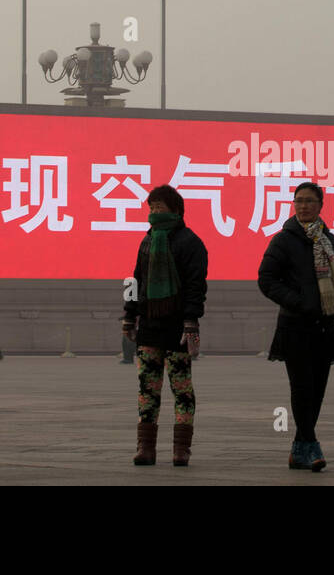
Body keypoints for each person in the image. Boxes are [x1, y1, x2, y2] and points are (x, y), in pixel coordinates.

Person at [259, 182, 334, 473]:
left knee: (318, 390)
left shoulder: (329, 240)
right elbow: (266, 279)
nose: (303, 206)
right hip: (295, 325)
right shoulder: (283, 240)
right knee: (302, 388)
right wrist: (298, 301)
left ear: (320, 205)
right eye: (299, 201)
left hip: (324, 326)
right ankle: (312, 446)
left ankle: (299, 450)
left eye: (309, 201)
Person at [122, 185, 208, 467]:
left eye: (161, 207)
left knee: (182, 388)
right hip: (149, 325)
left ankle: (181, 449)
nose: (155, 212)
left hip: (177, 328)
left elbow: (196, 287)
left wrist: (191, 321)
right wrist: (129, 315)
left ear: (176, 210)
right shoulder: (147, 241)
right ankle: (145, 448)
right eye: (152, 207)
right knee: (148, 388)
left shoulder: (190, 242)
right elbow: (135, 280)